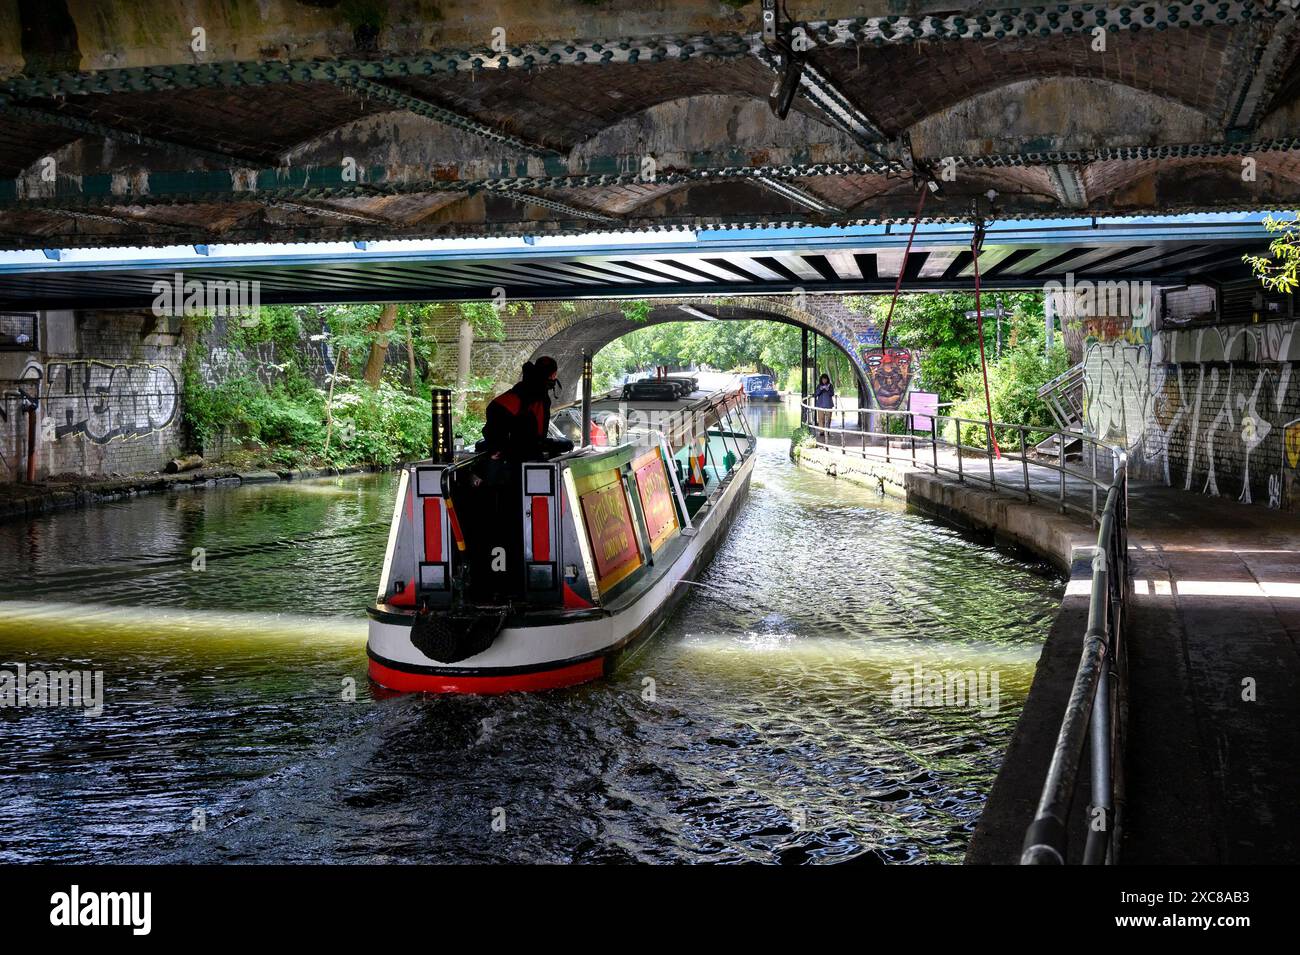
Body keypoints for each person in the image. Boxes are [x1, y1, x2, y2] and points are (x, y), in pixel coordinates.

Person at [479, 356, 573, 466]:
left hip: (503, 438)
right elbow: (538, 434)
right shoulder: (539, 395)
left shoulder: (523, 387)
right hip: (518, 449)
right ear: (553, 375)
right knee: (566, 444)